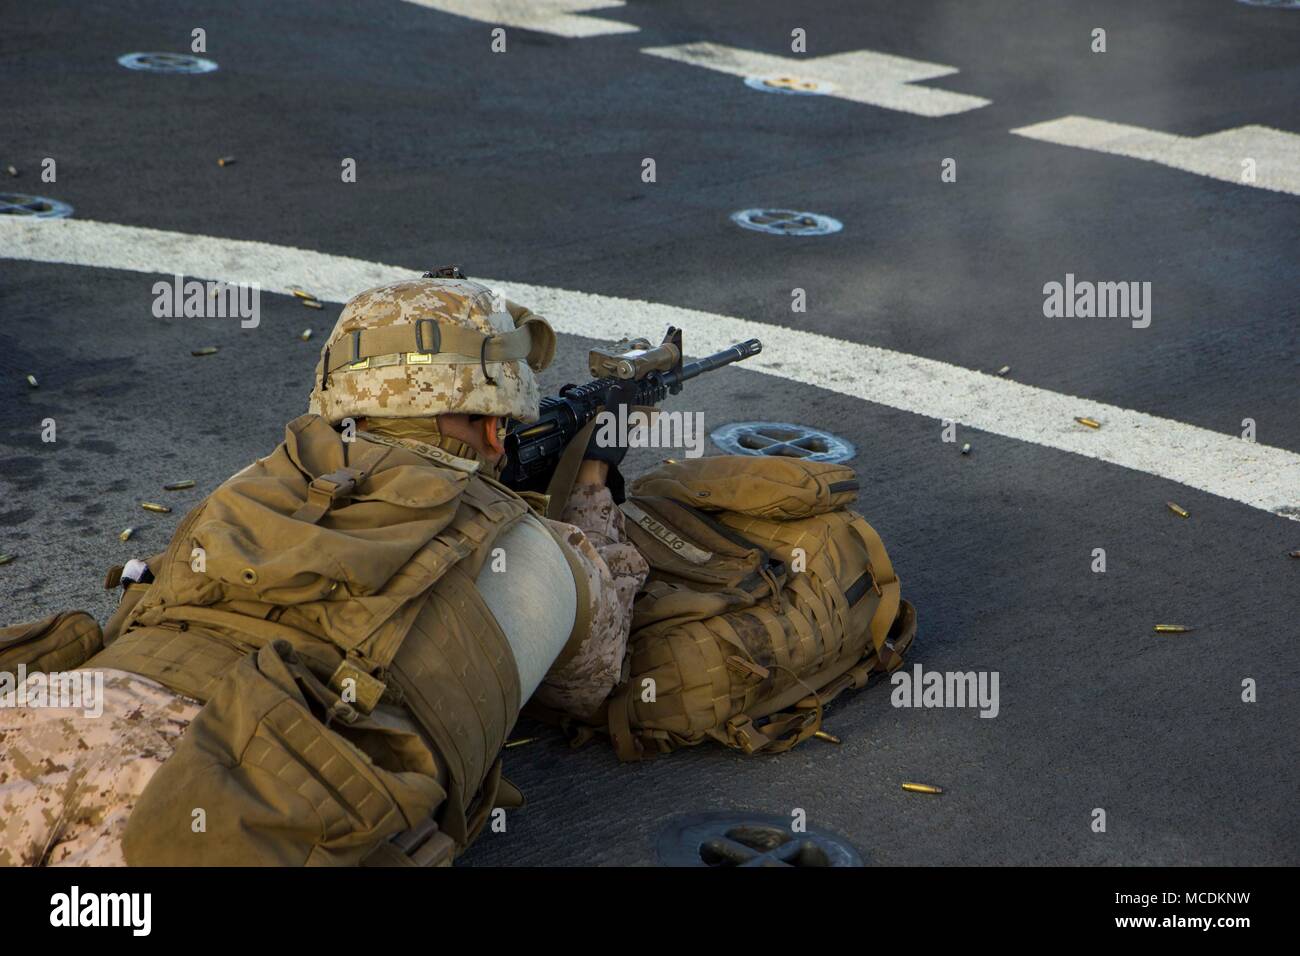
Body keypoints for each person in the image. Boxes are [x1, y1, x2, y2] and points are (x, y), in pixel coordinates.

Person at [0, 274, 649, 867]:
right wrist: (590, 480)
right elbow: (590, 682)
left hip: (54, 716)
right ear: (489, 427)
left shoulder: (247, 484)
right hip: (238, 799)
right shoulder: (542, 554)